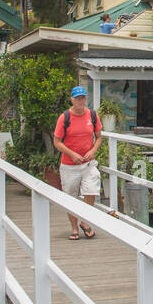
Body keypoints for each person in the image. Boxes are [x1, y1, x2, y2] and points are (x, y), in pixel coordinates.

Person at [53, 86, 102, 239]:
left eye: (83, 98)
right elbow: (57, 141)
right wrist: (71, 154)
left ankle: (85, 221)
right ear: (72, 99)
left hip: (88, 163)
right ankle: (74, 228)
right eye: (78, 98)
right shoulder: (65, 117)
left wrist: (93, 151)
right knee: (70, 196)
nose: (81, 101)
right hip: (69, 164)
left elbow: (99, 137)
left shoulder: (92, 115)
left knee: (92, 189)